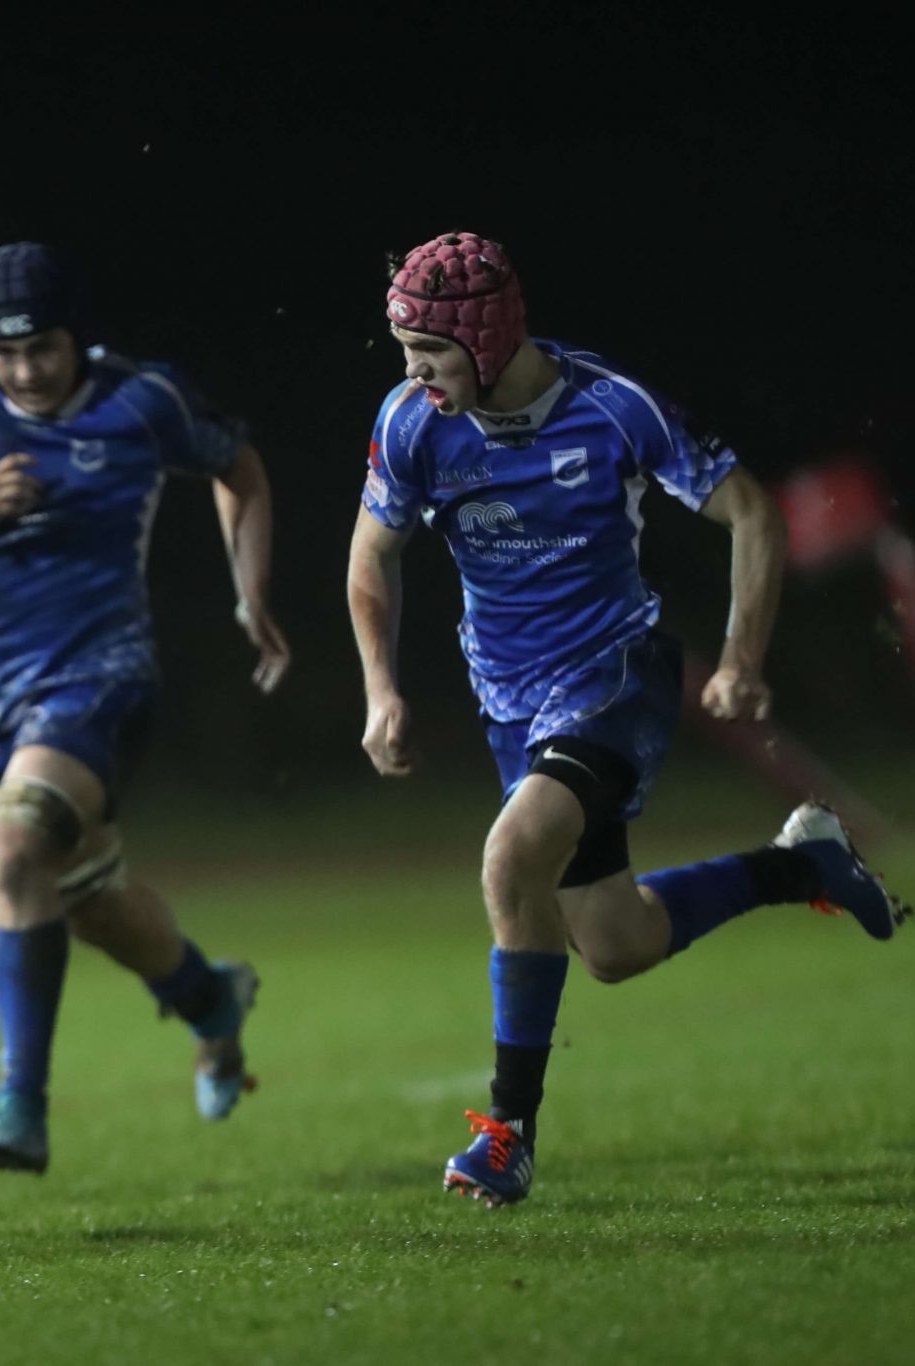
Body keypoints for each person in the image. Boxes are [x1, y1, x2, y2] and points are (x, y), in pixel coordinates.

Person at [348, 231, 907, 1207]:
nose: (414, 375)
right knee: (615, 944)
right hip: (511, 705)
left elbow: (752, 513)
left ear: (485, 338)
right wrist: (380, 689)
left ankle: (506, 1136)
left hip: (613, 677)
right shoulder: (412, 424)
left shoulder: (611, 405)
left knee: (508, 858)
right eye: (406, 354)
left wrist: (740, 660)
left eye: (429, 353)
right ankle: (802, 865)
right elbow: (370, 557)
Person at [0, 243, 290, 1174]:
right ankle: (210, 999)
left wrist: (251, 594)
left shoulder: (143, 400)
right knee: (86, 899)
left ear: (79, 337)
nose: (25, 371)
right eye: (5, 353)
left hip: (102, 679)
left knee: (11, 847)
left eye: (44, 349)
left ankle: (20, 1105)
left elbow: (239, 468)